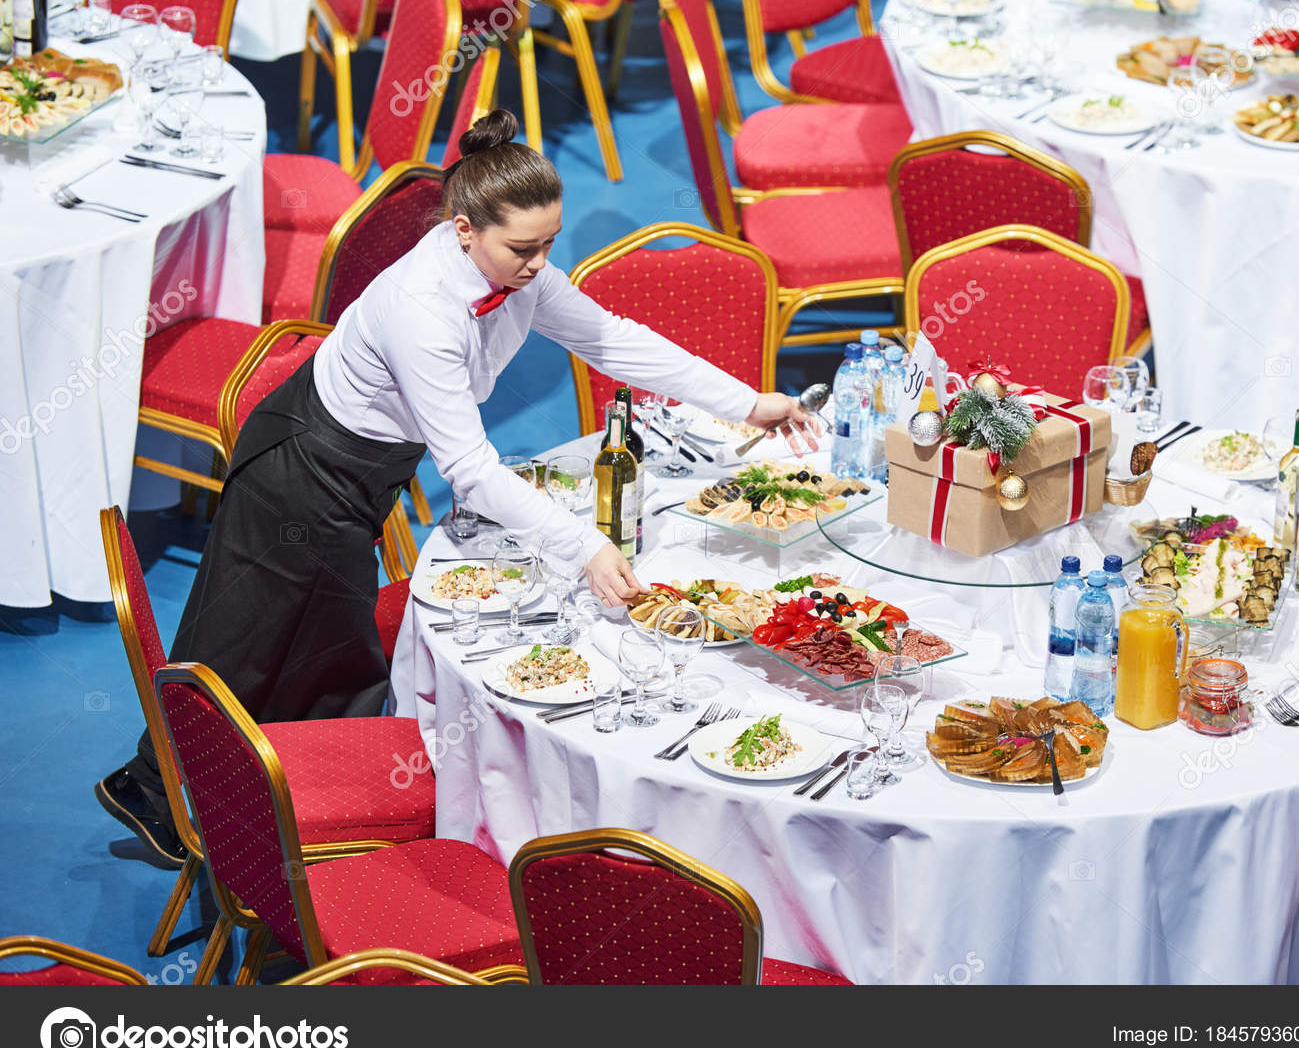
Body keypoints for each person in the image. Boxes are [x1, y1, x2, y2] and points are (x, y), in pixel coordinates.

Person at [97, 110, 819, 865]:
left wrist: (748, 403)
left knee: (314, 651)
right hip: (303, 468)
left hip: (367, 466)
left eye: (549, 244)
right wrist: (583, 546)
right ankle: (157, 792)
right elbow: (469, 470)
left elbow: (612, 338)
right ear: (465, 229)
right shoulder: (422, 308)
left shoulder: (516, 274)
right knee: (243, 643)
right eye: (523, 248)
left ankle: (270, 805)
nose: (539, 264)